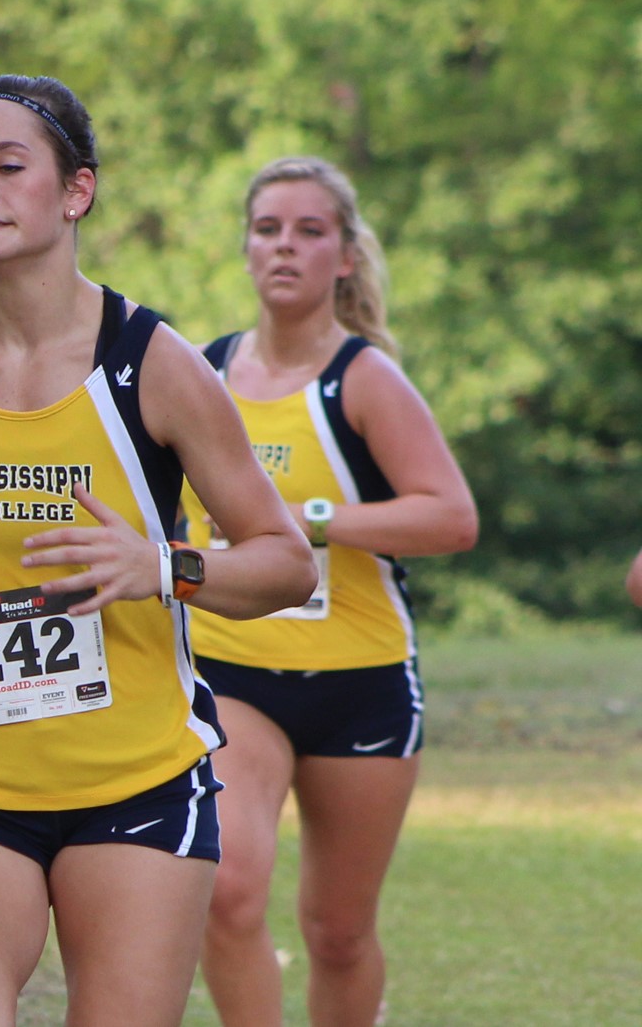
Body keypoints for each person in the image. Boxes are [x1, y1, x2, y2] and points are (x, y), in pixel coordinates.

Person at [0, 74, 318, 1027]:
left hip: (138, 785)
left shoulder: (155, 364)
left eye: (7, 167)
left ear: (76, 191)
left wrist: (163, 567)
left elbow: (286, 560)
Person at [185, 156, 478, 1027]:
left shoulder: (365, 379)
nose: (285, 247)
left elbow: (452, 517)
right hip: (234, 670)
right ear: (244, 246)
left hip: (362, 678)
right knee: (228, 890)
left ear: (345, 256)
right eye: (268, 228)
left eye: (310, 232)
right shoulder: (200, 373)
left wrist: (312, 519)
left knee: (339, 932)